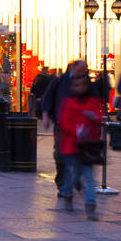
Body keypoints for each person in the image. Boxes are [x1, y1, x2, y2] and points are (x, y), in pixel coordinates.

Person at [56, 67, 102, 219]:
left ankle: (90, 205)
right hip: (72, 144)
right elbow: (63, 122)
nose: (79, 88)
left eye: (82, 85)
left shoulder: (93, 102)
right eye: (76, 85)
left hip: (87, 146)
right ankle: (67, 194)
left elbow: (98, 119)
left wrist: (94, 119)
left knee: (89, 177)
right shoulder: (68, 102)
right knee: (73, 175)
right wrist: (76, 131)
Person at [41, 60, 88, 191]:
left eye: (84, 70)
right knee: (60, 152)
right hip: (61, 123)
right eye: (81, 70)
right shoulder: (59, 81)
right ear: (73, 68)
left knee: (79, 151)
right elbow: (48, 98)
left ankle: (76, 176)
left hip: (80, 125)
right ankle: (62, 182)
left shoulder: (86, 82)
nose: (83, 73)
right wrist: (45, 115)